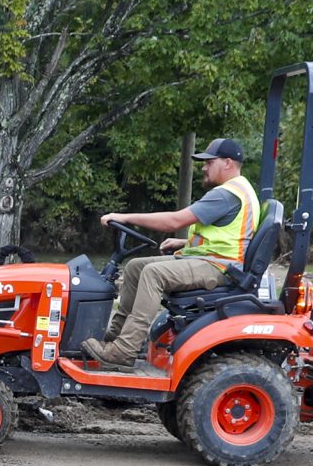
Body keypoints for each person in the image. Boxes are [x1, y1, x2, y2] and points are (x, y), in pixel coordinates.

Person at [84, 137, 260, 370]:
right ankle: (115, 337)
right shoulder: (240, 190)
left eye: (209, 162)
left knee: (153, 274)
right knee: (135, 267)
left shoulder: (226, 195)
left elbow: (175, 221)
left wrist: (123, 217)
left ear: (227, 163)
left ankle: (124, 351)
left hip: (219, 267)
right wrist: (184, 242)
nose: (204, 167)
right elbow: (230, 235)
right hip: (215, 260)